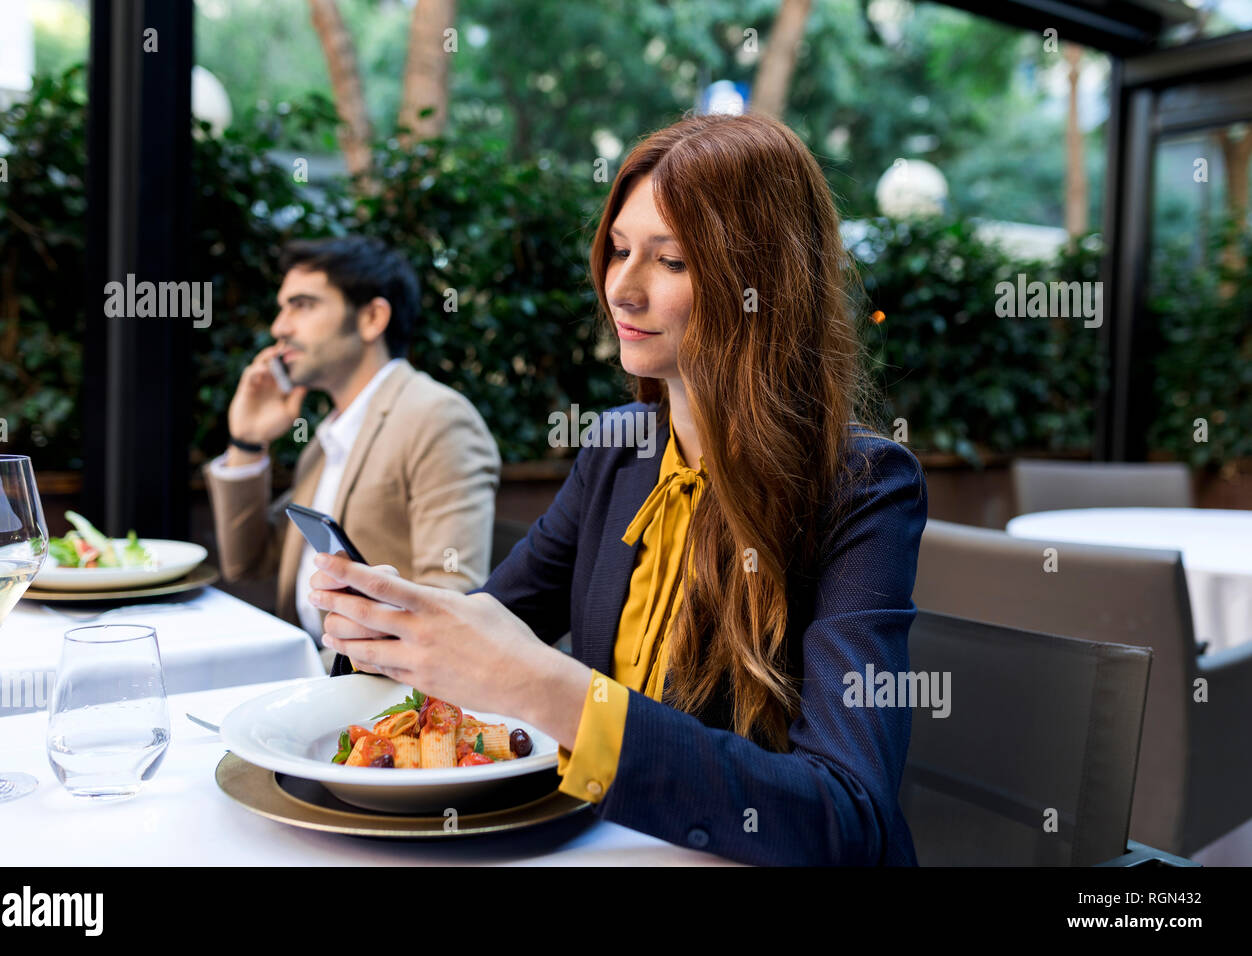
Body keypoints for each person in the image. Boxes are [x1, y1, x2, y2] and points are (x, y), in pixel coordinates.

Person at [311, 114, 928, 865]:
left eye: (671, 262)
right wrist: (391, 625)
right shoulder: (618, 447)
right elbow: (494, 625)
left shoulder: (861, 488)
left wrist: (558, 694)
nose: (622, 291)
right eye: (621, 251)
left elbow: (848, 819)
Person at [203, 237, 500, 660]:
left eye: (302, 305)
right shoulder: (327, 440)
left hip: (374, 691)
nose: (280, 327)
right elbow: (247, 563)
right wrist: (247, 442)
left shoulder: (436, 418)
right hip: (307, 665)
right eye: (283, 306)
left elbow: (450, 600)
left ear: (372, 318)